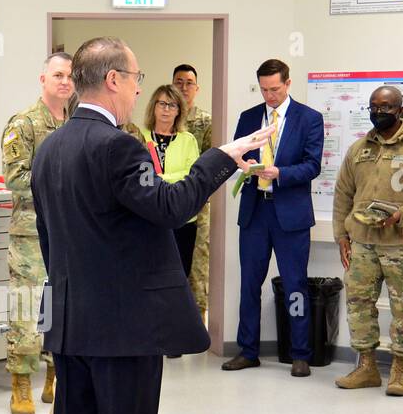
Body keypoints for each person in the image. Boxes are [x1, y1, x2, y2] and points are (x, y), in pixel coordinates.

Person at [31, 36, 271, 414]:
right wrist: (222, 159)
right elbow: (170, 207)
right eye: (137, 77)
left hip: (70, 321)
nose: (141, 87)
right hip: (124, 329)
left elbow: (50, 241)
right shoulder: (119, 148)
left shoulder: (52, 148)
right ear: (113, 79)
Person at [332, 86, 403, 396]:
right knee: (359, 305)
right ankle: (367, 366)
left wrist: (402, 214)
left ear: (400, 111)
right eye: (373, 107)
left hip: (400, 247)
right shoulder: (358, 150)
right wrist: (341, 235)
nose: (379, 113)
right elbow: (343, 194)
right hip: (361, 242)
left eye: (386, 108)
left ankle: (400, 369)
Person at [224, 59, 324, 377]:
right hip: (255, 212)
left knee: (295, 285)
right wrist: (242, 164)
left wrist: (279, 172)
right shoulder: (249, 117)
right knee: (250, 284)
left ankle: (300, 354)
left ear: (288, 84)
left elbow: (312, 165)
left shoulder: (309, 119)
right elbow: (237, 156)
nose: (270, 96)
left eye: (275, 89)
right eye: (264, 90)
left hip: (290, 215)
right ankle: (248, 350)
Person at [2, 52, 75, 414]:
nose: (65, 82)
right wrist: (62, 184)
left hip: (68, 234)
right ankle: (19, 383)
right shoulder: (25, 124)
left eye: (70, 76)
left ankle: (54, 376)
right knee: (26, 308)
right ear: (43, 79)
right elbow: (15, 178)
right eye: (58, 75)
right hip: (31, 234)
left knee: (59, 308)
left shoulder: (77, 122)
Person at [129, 84, 203, 317]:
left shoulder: (187, 139)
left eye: (172, 105)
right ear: (153, 107)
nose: (166, 110)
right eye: (162, 103)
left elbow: (192, 175)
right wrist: (169, 179)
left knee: (178, 275)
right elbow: (140, 176)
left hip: (182, 218)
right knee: (150, 273)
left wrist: (161, 178)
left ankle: (173, 330)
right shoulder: (139, 136)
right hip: (148, 218)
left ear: (179, 110)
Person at [173, 64, 215, 318]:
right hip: (168, 199)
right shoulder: (164, 117)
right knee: (171, 261)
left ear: (196, 89)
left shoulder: (206, 121)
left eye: (189, 83)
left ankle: (196, 319)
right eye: (179, 82)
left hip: (198, 201)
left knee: (198, 263)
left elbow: (211, 160)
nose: (184, 87)